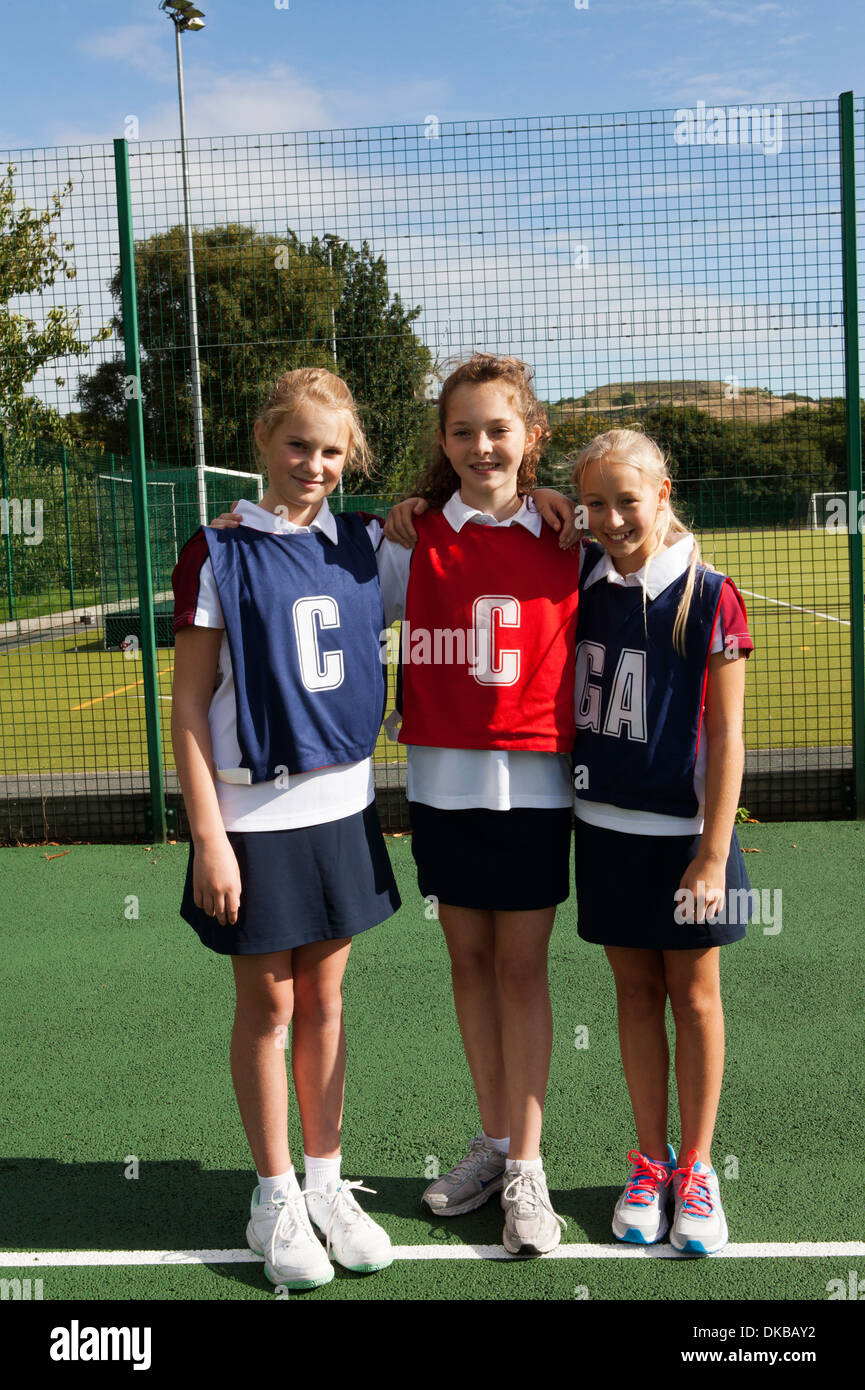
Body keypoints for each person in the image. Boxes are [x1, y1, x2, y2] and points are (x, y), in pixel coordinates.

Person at [171, 367, 400, 1291]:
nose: (314, 464)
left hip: (342, 807)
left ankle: (327, 1182)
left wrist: (545, 494)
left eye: (332, 451)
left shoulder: (368, 544)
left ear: (351, 461)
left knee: (328, 1004)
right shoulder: (216, 552)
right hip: (250, 814)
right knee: (268, 1007)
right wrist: (209, 836)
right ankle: (272, 1195)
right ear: (263, 440)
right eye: (298, 444)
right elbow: (188, 706)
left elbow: (472, 517)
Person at [383, 354, 579, 1257]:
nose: (480, 445)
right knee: (468, 963)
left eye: (498, 428)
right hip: (442, 784)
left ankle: (529, 1171)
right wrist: (234, 526)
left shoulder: (566, 536)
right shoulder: (412, 535)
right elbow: (328, 575)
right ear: (442, 442)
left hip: (535, 783)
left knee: (520, 970)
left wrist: (576, 507)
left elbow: (649, 532)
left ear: (531, 437)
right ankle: (495, 1145)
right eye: (462, 430)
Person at [568, 427, 754, 1255]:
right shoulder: (580, 576)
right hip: (606, 832)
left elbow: (728, 739)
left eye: (627, 501)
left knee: (696, 997)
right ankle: (649, 1159)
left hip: (686, 839)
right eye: (595, 503)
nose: (611, 518)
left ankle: (700, 1169)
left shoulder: (712, 594)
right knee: (635, 994)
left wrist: (713, 853)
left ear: (664, 494)